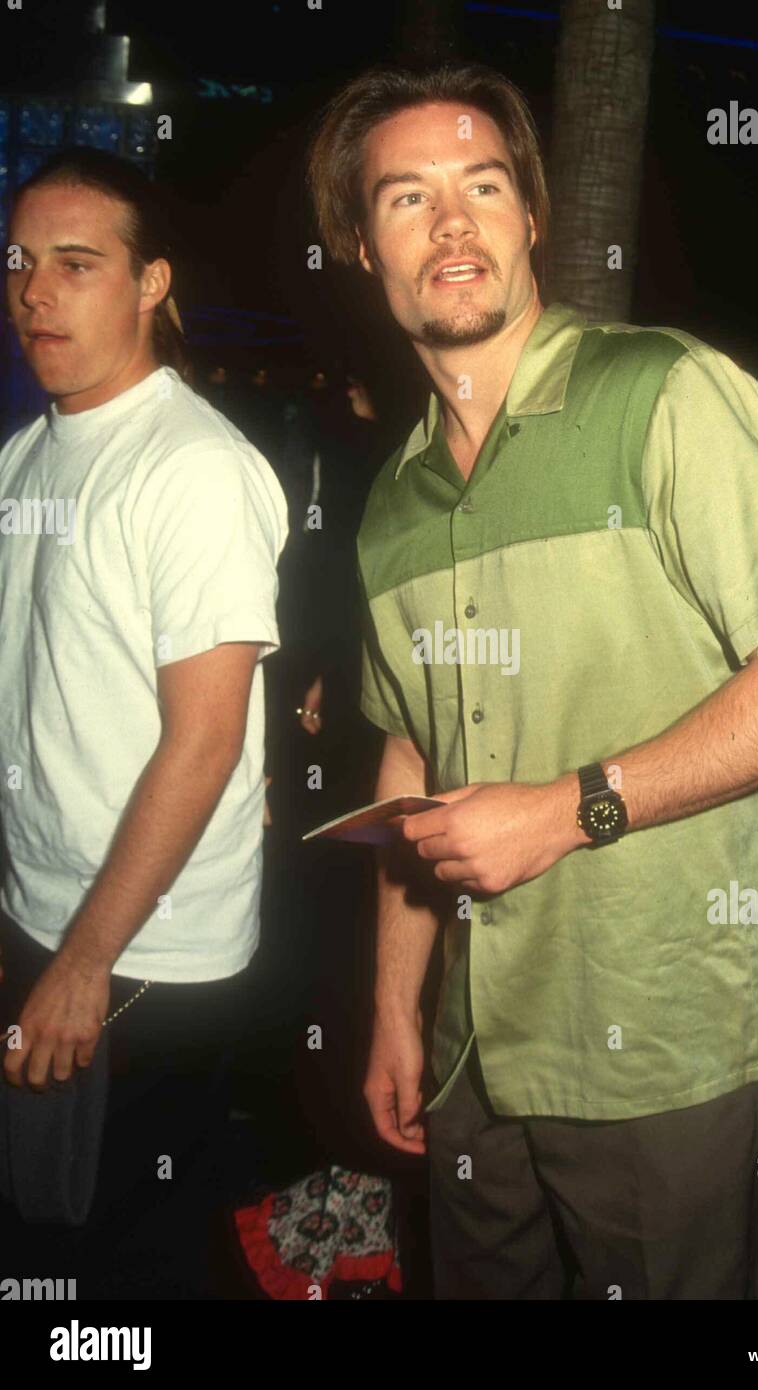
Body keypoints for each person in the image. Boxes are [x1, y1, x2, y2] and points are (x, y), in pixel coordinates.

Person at [306, 62, 758, 1300]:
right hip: (472, 1064)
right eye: (406, 198)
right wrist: (397, 1012)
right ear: (358, 245)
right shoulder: (393, 499)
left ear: (532, 218)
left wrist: (564, 811)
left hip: (662, 1057)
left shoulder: (664, 392)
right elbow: (412, 762)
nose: (452, 225)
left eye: (484, 185)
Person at [0, 148, 288, 1291]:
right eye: (21, 262)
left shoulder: (192, 469)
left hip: (144, 952)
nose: (34, 291)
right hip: (44, 910)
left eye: (78, 264)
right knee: (45, 1214)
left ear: (151, 283)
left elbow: (203, 739)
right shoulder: (26, 454)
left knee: (130, 1248)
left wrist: (85, 957)